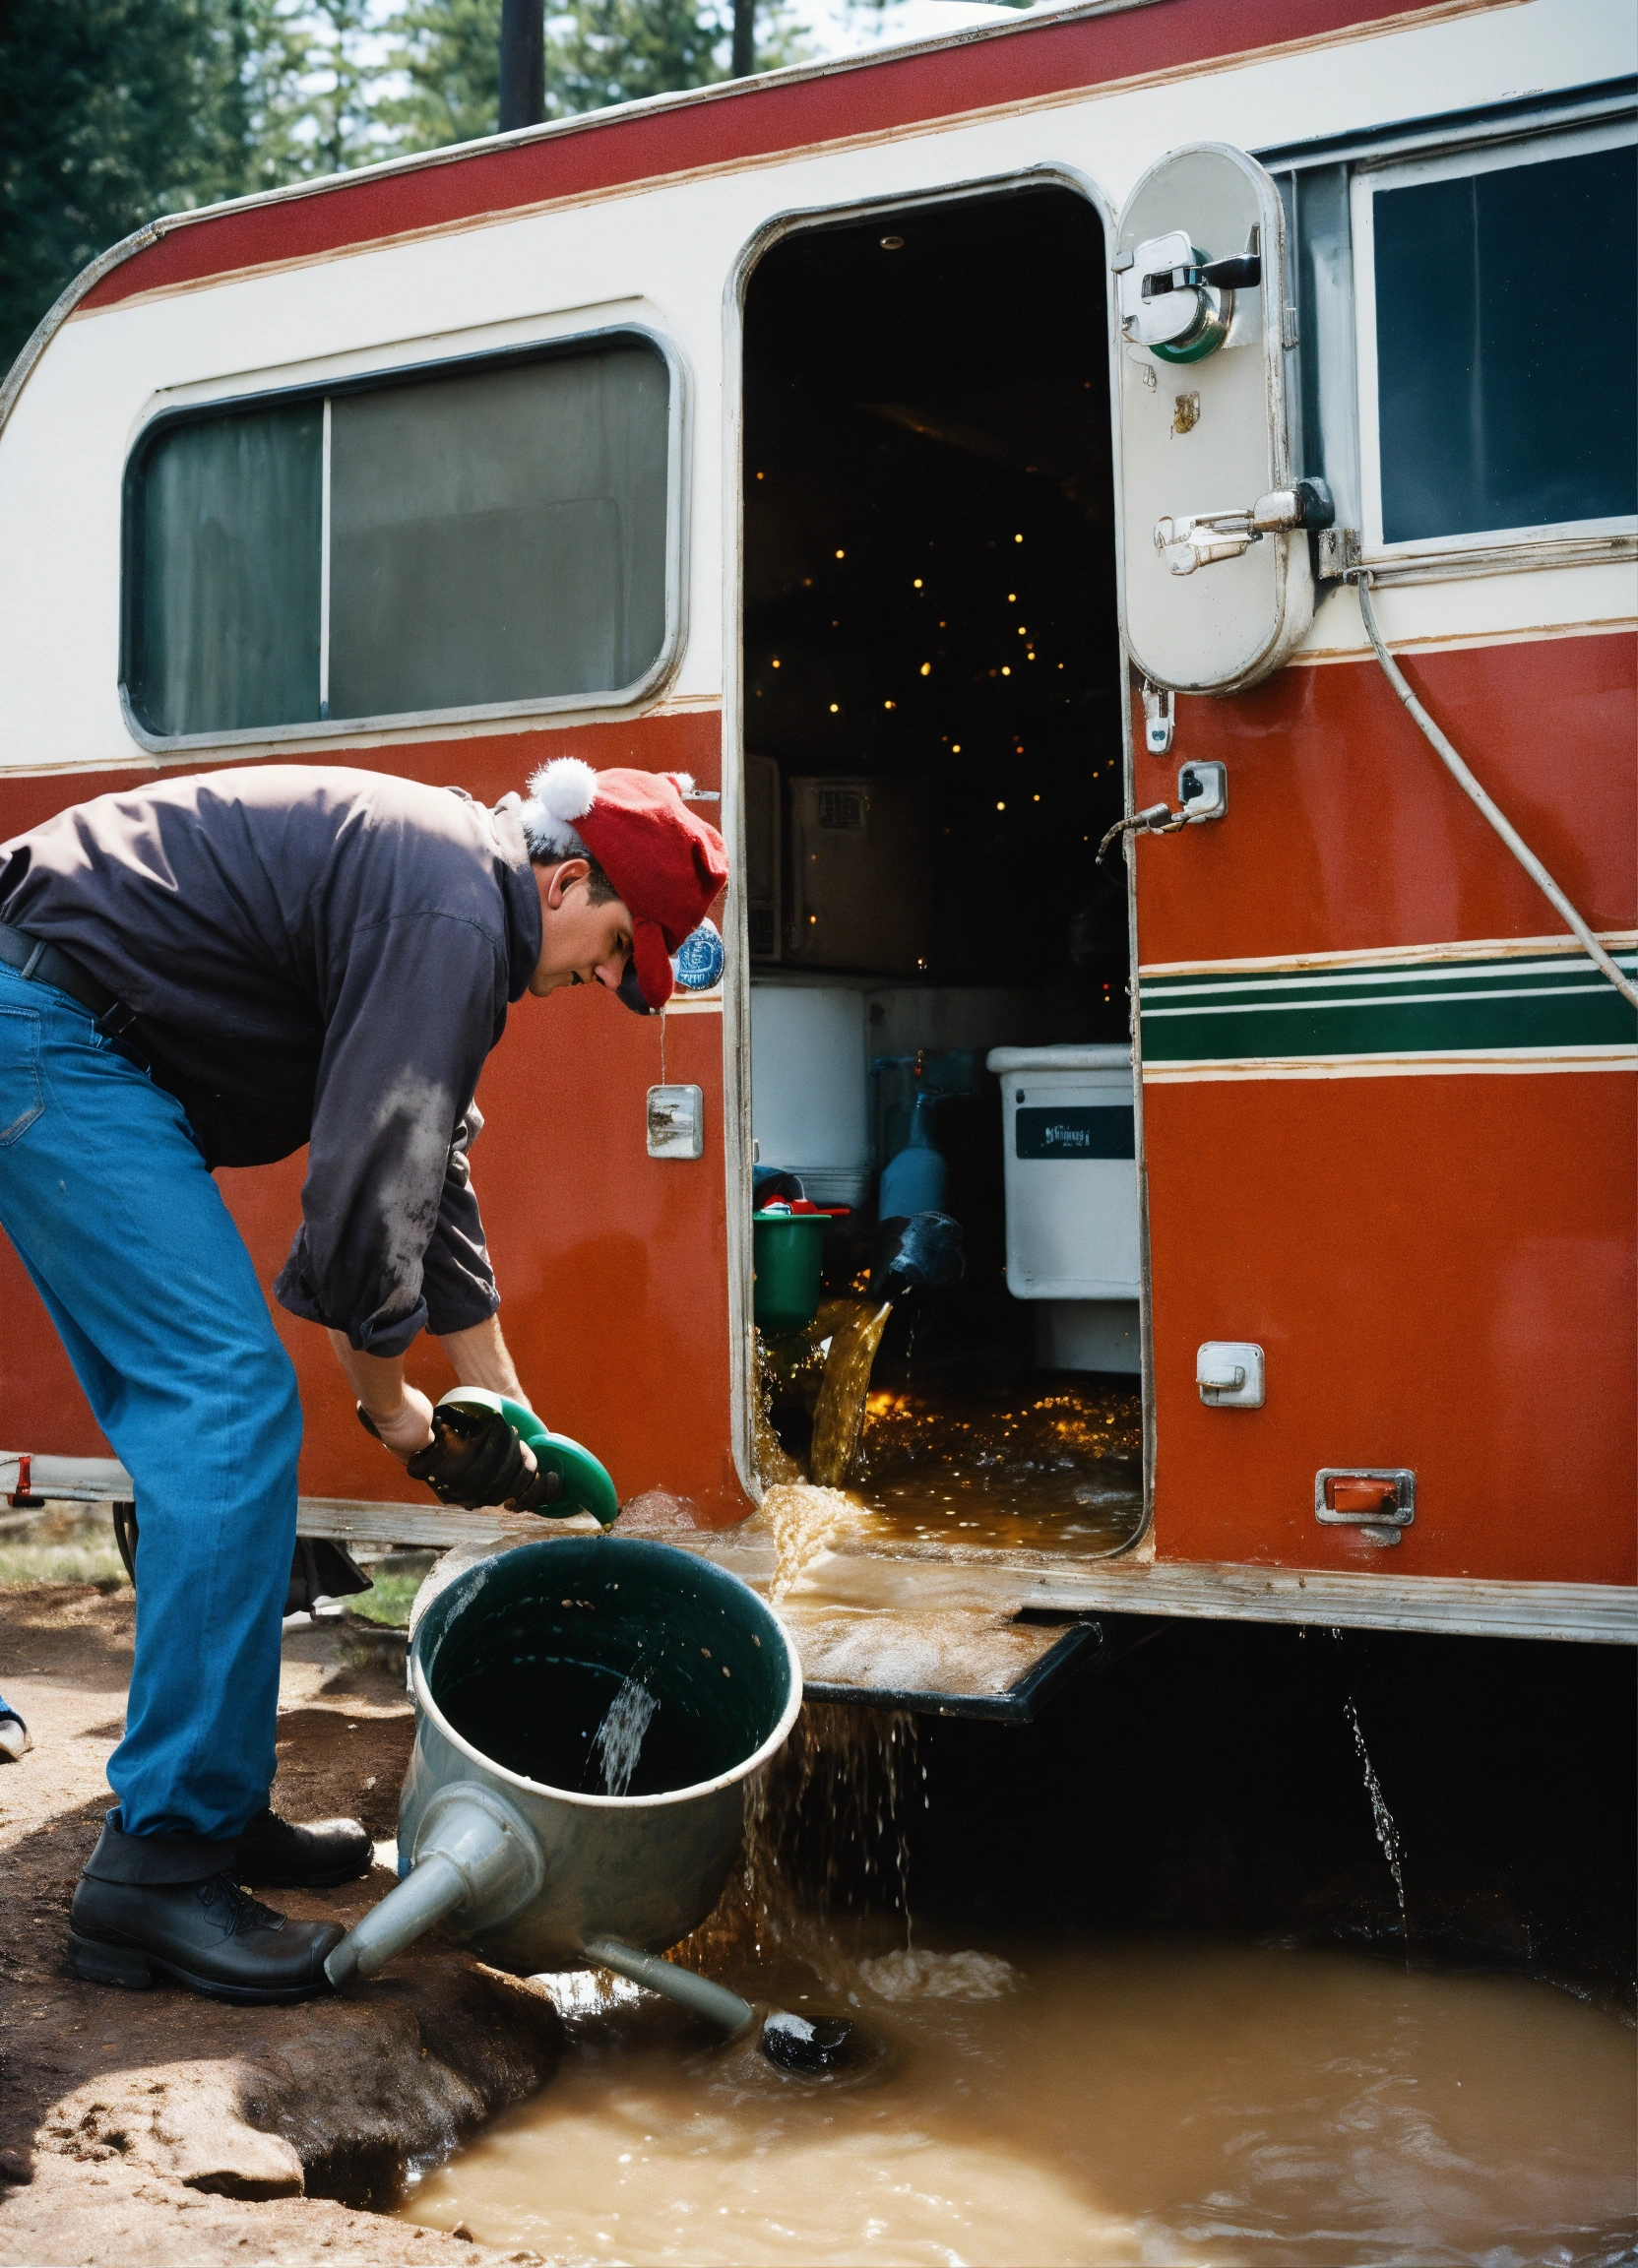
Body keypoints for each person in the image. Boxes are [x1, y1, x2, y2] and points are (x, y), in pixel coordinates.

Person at [0, 756, 727, 2001]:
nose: (605, 979)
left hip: (69, 1027)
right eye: (616, 947)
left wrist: (505, 1407)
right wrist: (395, 1413)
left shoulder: (459, 891)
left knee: (225, 1414)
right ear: (567, 877)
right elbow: (361, 1200)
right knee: (227, 1408)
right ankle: (154, 1876)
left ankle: (210, 1811)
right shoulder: (452, 904)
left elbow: (430, 1162)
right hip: (48, 1027)